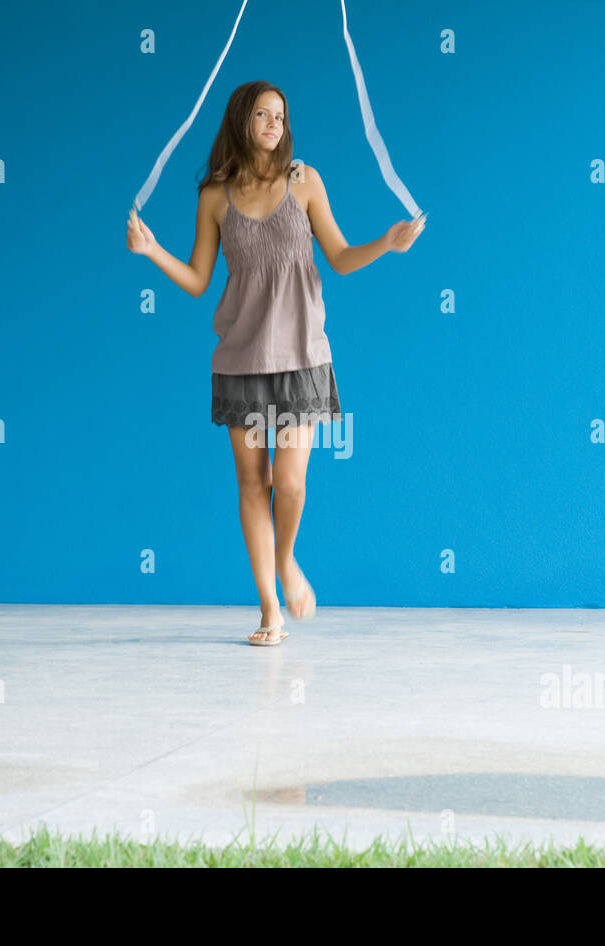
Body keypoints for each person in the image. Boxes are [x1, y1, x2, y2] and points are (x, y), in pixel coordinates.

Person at [126, 80, 425, 646]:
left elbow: (337, 257)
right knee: (250, 482)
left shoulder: (304, 182)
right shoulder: (214, 196)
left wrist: (387, 243)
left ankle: (287, 563)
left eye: (281, 117)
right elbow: (196, 281)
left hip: (301, 358)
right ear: (241, 120)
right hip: (240, 360)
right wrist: (151, 251)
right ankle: (269, 607)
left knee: (288, 483)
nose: (273, 124)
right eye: (263, 115)